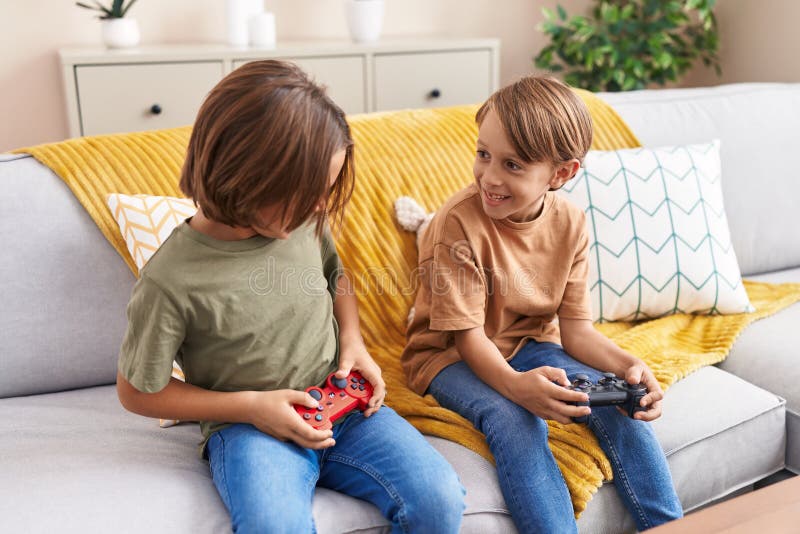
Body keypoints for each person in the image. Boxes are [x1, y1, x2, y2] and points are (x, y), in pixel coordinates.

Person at [116, 60, 465, 534]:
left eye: (324, 191)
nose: (321, 206)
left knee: (439, 498)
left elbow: (337, 279)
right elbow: (138, 391)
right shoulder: (169, 280)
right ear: (248, 175)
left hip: (345, 409)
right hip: (251, 429)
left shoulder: (302, 224)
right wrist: (250, 407)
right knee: (274, 525)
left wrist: (354, 344)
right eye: (308, 193)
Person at [401, 76, 683, 532]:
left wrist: (631, 366)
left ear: (561, 174)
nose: (489, 176)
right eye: (483, 154)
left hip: (533, 343)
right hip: (449, 356)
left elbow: (577, 332)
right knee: (515, 419)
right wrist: (517, 387)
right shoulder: (456, 222)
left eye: (512, 164)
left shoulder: (571, 223)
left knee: (617, 399)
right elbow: (468, 338)